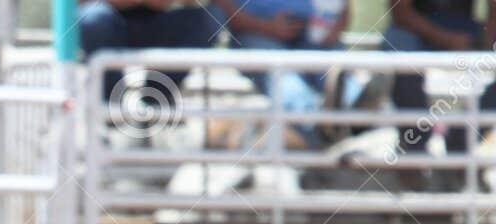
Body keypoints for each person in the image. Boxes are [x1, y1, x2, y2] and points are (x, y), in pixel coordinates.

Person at [218, 0, 349, 148]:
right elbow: (220, 4)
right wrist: (265, 26)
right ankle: (316, 119)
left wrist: (334, 28)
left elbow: (342, 6)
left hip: (312, 31)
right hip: (258, 35)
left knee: (336, 69)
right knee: (283, 76)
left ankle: (355, 104)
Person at [382, 0, 496, 154]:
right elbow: (401, 13)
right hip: (415, 30)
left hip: (463, 27)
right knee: (401, 51)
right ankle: (415, 144)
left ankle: (461, 141)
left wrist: (484, 41)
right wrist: (450, 39)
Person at [79, 0, 223, 106]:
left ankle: (154, 102)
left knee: (208, 21)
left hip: (158, 22)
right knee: (93, 19)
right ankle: (111, 105)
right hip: (108, 24)